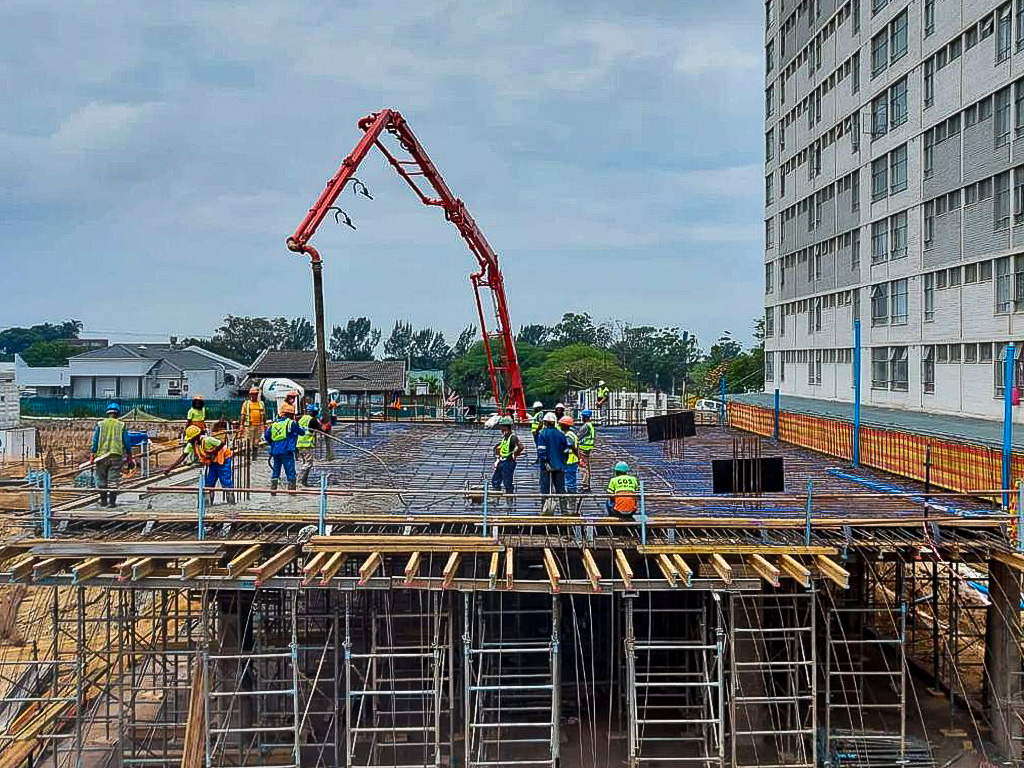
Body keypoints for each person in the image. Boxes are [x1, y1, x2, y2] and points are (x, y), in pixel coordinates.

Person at [163, 425, 235, 504]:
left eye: (191, 439)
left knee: (225, 480)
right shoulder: (191, 445)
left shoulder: (208, 440)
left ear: (196, 437)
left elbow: (221, 444)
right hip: (213, 462)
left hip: (224, 459)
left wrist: (212, 453)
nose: (190, 442)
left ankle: (230, 501)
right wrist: (170, 468)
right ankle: (208, 501)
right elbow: (182, 457)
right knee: (209, 481)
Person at [90, 402, 132, 508]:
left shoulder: (100, 424)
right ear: (118, 413)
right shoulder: (121, 425)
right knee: (113, 479)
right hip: (116, 455)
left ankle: (103, 501)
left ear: (107, 413)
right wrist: (129, 455)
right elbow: (126, 441)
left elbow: (95, 440)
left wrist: (92, 454)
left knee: (101, 478)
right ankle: (112, 503)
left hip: (101, 456)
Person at [265, 402, 307, 494]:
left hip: (275, 450)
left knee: (276, 470)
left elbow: (267, 436)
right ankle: (291, 491)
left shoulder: (274, 424)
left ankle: (273, 490)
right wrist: (304, 429)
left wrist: (273, 444)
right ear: (291, 414)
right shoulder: (291, 423)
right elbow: (301, 432)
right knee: (290, 470)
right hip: (286, 450)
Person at [535, 412, 568, 514]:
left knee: (545, 489)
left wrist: (545, 462)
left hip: (546, 468)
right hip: (559, 466)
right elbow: (566, 451)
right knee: (560, 489)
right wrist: (562, 462)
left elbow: (541, 450)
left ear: (545, 422)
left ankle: (545, 509)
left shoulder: (542, 434)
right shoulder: (561, 435)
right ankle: (564, 510)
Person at [491, 416, 524, 504]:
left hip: (508, 463)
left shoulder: (512, 438)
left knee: (507, 482)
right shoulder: (505, 437)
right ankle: (496, 500)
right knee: (495, 480)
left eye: (501, 426)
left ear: (506, 426)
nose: (500, 428)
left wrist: (514, 454)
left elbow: (521, 447)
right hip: (501, 462)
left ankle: (509, 502)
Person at [296, 403, 327, 487]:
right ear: (314, 412)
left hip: (299, 444)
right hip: (307, 445)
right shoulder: (312, 420)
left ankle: (304, 483)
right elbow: (323, 429)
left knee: (305, 463)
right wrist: (326, 425)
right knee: (308, 464)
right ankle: (299, 481)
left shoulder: (302, 418)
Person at [240, 386, 266, 459]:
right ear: (250, 395)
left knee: (256, 442)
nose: (254, 396)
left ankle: (254, 456)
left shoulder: (261, 403)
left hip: (258, 425)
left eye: (255, 394)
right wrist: (241, 425)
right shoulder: (246, 403)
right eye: (252, 394)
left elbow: (264, 414)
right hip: (249, 425)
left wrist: (265, 424)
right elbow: (243, 414)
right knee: (248, 441)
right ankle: (248, 456)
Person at [576, 409, 596, 492]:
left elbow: (578, 436)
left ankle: (585, 486)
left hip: (583, 449)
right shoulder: (590, 425)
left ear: (585, 417)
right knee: (586, 467)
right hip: (587, 449)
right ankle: (586, 485)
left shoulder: (586, 426)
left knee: (583, 468)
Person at [559, 416, 579, 493]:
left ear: (565, 425)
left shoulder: (568, 436)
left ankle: (571, 496)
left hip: (570, 460)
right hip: (573, 460)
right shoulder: (572, 434)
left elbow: (571, 446)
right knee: (572, 479)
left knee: (570, 481)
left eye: (561, 424)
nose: (560, 426)